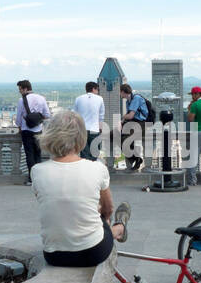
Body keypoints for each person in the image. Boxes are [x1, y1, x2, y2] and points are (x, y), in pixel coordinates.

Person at [31, 111, 129, 267]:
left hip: (54, 255)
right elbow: (108, 209)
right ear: (81, 138)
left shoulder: (37, 171)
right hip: (93, 252)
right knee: (102, 217)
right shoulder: (97, 168)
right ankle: (119, 229)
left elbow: (52, 203)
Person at [15, 80, 50, 185]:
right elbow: (47, 114)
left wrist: (20, 126)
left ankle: (31, 179)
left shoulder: (21, 100)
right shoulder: (41, 98)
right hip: (38, 130)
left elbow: (18, 118)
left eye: (20, 89)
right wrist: (37, 119)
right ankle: (39, 178)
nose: (20, 91)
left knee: (29, 155)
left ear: (25, 89)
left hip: (26, 131)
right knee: (38, 154)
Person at [72, 81, 105, 160]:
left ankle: (86, 166)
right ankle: (93, 166)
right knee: (94, 153)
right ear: (93, 89)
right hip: (94, 129)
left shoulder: (78, 99)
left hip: (82, 130)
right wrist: (101, 128)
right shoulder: (100, 99)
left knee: (84, 154)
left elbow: (74, 114)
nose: (98, 92)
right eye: (97, 90)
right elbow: (101, 115)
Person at [119, 83, 149, 172]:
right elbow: (129, 115)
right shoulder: (129, 101)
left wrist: (123, 117)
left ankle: (136, 159)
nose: (119, 94)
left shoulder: (136, 99)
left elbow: (130, 115)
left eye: (120, 92)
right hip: (134, 123)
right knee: (119, 137)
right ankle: (136, 158)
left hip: (141, 123)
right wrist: (122, 121)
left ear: (123, 92)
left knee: (126, 139)